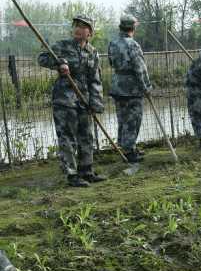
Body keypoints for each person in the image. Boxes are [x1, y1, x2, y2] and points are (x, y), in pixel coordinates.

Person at [38, 14, 107, 188]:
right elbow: (43, 58)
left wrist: (95, 104)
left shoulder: (93, 53)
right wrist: (59, 63)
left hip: (84, 100)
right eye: (75, 25)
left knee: (86, 137)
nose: (77, 28)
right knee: (67, 139)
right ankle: (72, 175)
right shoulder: (62, 45)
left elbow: (95, 80)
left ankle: (87, 172)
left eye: (82, 26)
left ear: (90, 32)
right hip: (64, 99)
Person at [108, 14, 153, 163]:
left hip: (117, 84)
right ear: (134, 28)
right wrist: (147, 88)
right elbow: (140, 68)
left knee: (122, 118)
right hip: (131, 87)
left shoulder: (113, 42)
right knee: (132, 119)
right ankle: (128, 153)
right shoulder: (133, 44)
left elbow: (111, 62)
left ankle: (128, 147)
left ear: (120, 27)